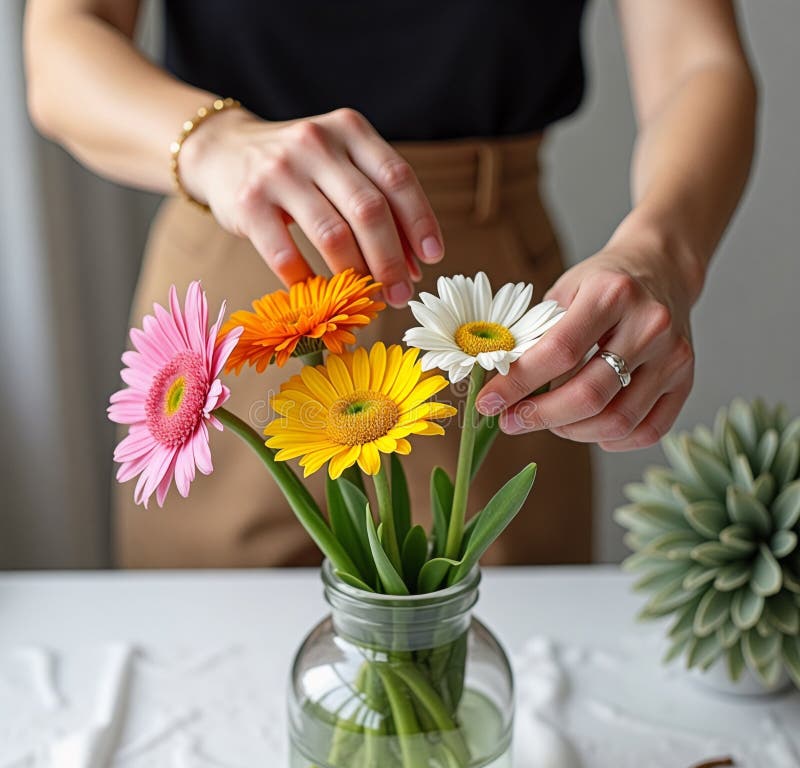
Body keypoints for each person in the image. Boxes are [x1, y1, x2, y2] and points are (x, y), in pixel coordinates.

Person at [24, 1, 757, 568]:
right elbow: (62, 42)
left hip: (491, 305)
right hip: (233, 291)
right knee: (207, 687)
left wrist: (661, 250)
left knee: (486, 703)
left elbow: (699, 60)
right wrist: (216, 142)